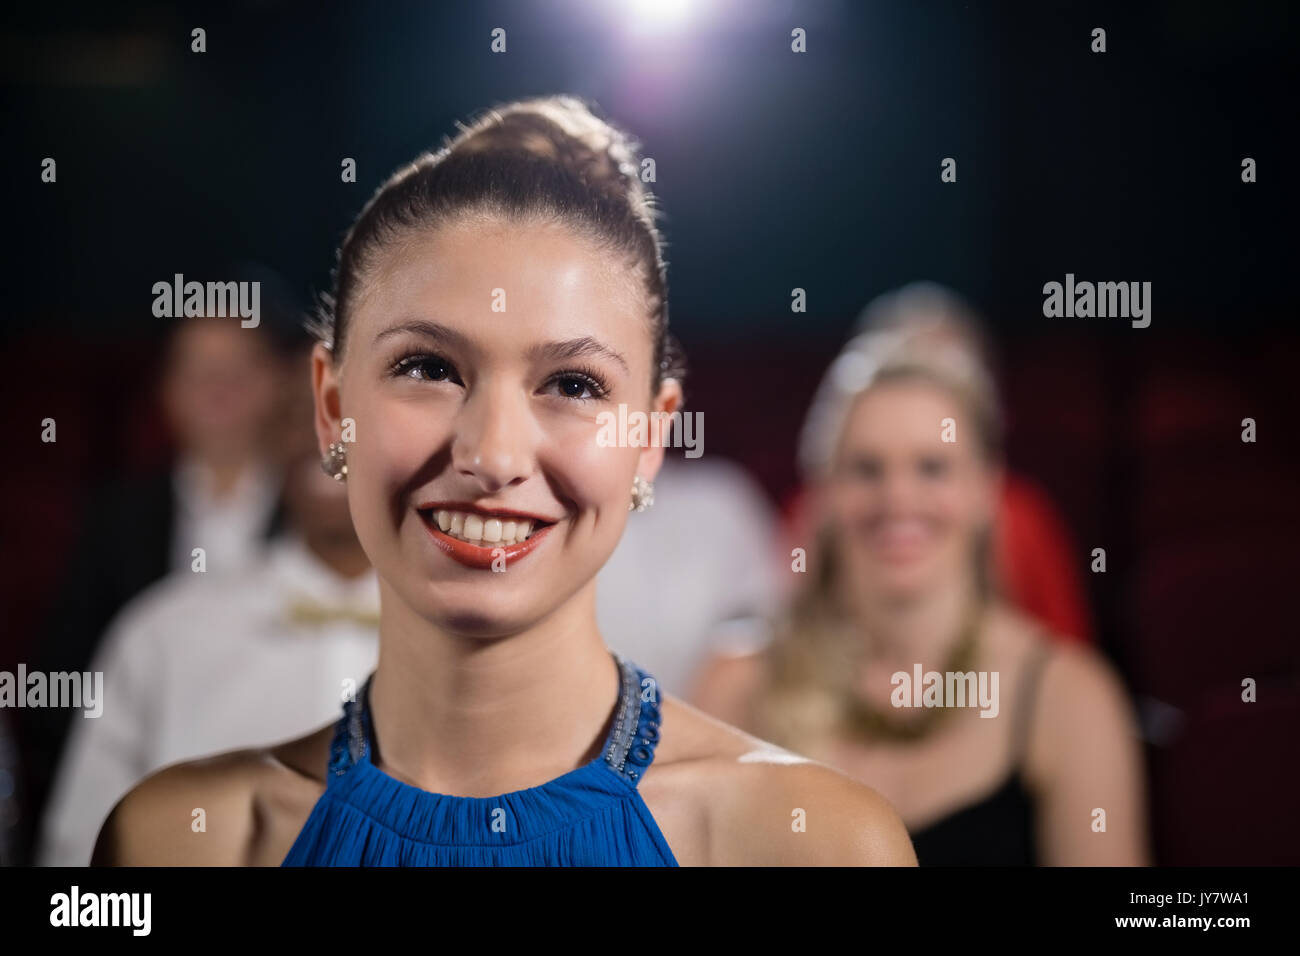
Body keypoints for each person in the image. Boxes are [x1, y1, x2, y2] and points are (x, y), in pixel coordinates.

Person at [91, 96, 917, 867]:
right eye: (429, 367)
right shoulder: (176, 839)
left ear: (651, 436)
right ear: (332, 407)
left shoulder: (818, 844)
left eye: (573, 384)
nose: (492, 452)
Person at [691, 324, 1149, 865]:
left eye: (932, 468)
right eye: (866, 469)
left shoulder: (1068, 694)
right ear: (825, 495)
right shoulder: (737, 684)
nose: (899, 497)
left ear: (986, 490)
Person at [38, 344, 379, 866]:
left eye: (356, 418)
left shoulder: (479, 631)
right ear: (271, 444)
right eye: (299, 417)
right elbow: (76, 848)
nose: (327, 438)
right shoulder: (161, 631)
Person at [16, 301, 286, 862]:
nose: (218, 390)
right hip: (143, 779)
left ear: (275, 384)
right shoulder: (116, 519)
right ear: (167, 391)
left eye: (237, 372)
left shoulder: (321, 517)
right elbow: (62, 674)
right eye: (198, 372)